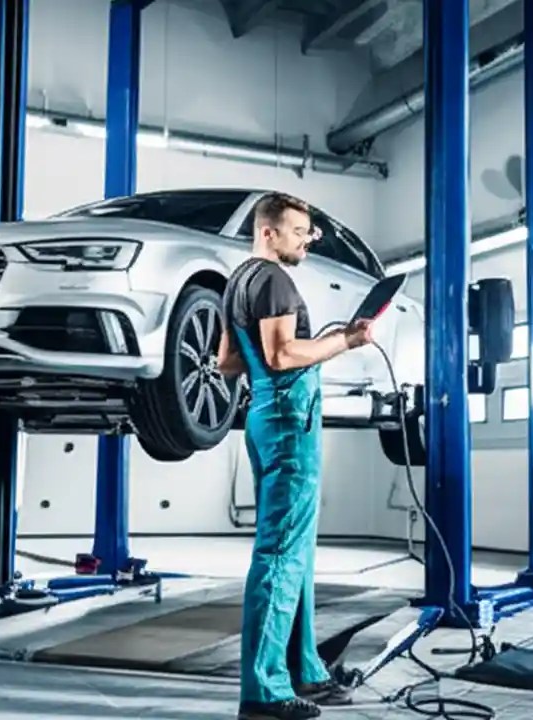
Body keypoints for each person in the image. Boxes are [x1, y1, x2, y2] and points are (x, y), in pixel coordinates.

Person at [216, 192, 374, 720]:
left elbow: (227, 361)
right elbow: (282, 355)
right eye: (300, 232)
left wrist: (308, 345)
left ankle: (304, 669)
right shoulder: (274, 279)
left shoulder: (238, 281)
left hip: (264, 417)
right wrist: (344, 341)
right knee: (281, 555)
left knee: (295, 552)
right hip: (289, 422)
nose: (307, 241)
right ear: (269, 232)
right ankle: (263, 690)